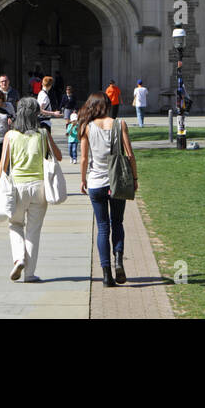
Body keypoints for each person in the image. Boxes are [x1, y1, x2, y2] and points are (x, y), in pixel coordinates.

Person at [0, 96, 63, 283]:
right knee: (34, 230)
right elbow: (58, 156)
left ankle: (19, 258)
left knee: (15, 224)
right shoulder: (42, 134)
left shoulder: (10, 136)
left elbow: (3, 165)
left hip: (17, 186)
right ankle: (30, 273)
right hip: (39, 188)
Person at [78, 91, 138, 288]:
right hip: (117, 182)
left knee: (102, 227)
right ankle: (119, 259)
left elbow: (85, 158)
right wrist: (134, 178)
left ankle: (106, 275)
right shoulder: (120, 124)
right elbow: (129, 154)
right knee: (117, 222)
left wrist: (83, 180)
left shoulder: (86, 127)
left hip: (96, 182)